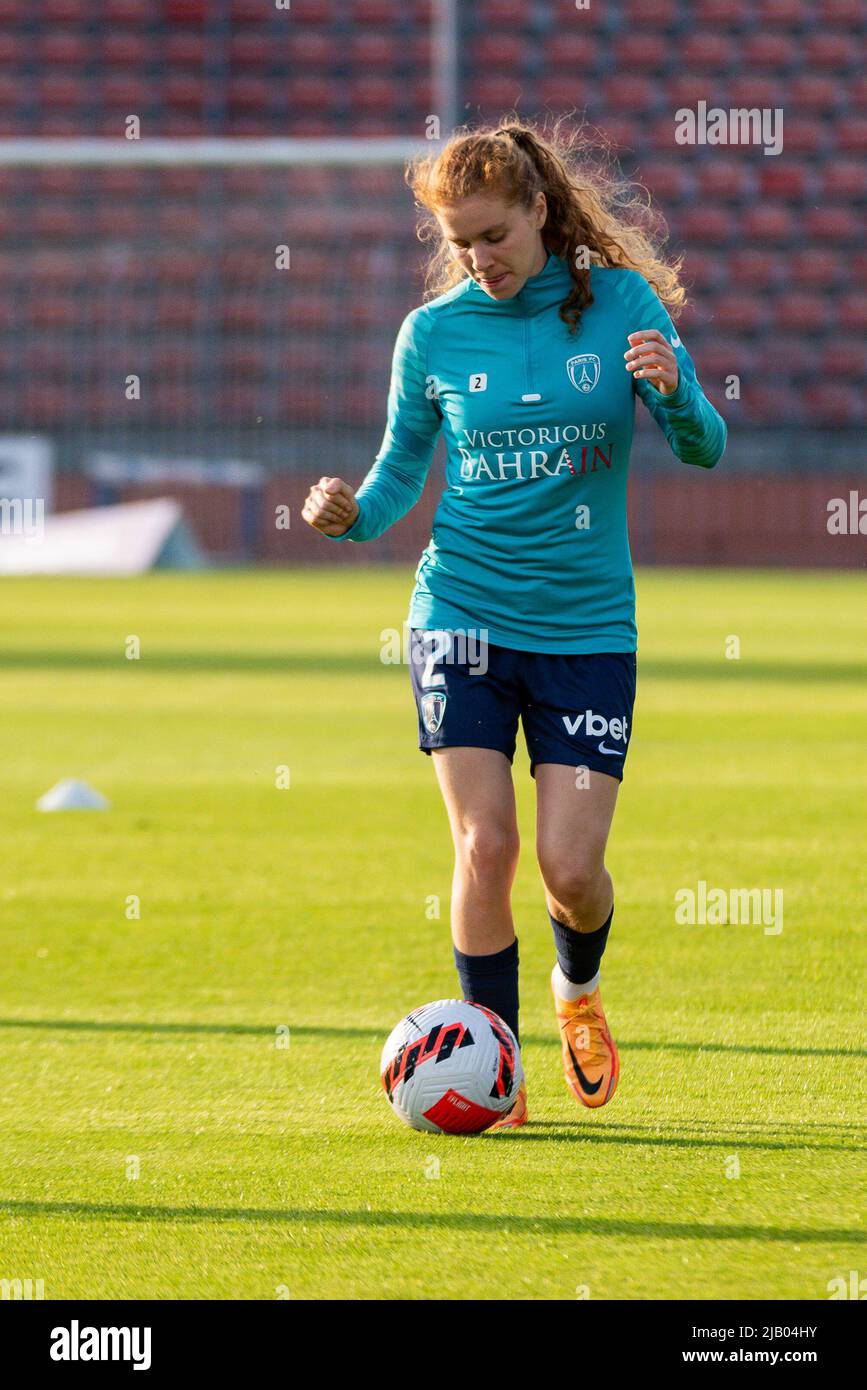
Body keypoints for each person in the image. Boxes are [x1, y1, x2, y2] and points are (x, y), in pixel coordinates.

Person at [303, 118, 726, 1128]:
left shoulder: (622, 304)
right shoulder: (435, 334)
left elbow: (706, 446)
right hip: (462, 611)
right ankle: (497, 1068)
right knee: (485, 844)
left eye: (493, 235)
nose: (478, 259)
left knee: (571, 872)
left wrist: (672, 398)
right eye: (459, 242)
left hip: (586, 627)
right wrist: (354, 513)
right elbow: (402, 468)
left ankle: (577, 990)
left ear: (539, 211)